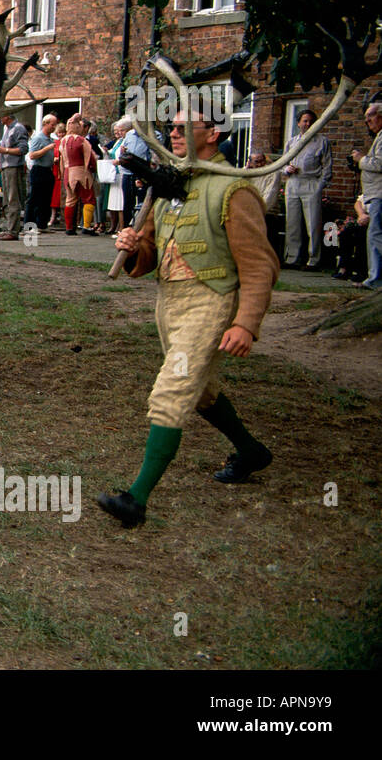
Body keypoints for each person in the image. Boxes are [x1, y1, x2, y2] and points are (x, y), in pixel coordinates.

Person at [98, 109, 279, 528]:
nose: (173, 135)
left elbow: (259, 267)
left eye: (183, 129)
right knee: (200, 391)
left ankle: (136, 499)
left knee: (172, 391)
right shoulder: (171, 185)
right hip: (170, 303)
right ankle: (251, 451)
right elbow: (150, 259)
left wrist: (245, 323)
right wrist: (134, 244)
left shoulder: (234, 191)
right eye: (172, 128)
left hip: (212, 303)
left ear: (213, 133)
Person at [282, 109, 332, 270]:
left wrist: (319, 186)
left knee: (313, 224)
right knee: (292, 224)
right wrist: (286, 169)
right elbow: (282, 163)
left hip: (311, 183)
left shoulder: (322, 142)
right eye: (304, 121)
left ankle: (314, 260)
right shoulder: (291, 142)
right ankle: (292, 258)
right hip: (293, 184)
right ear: (298, 123)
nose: (307, 124)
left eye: (311, 121)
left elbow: (327, 167)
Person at [350, 102, 382, 289]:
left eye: (370, 115)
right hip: (375, 195)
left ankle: (375, 280)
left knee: (376, 236)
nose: (367, 120)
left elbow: (379, 164)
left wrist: (361, 159)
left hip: (379, 195)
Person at [58, 113, 97, 235]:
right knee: (88, 198)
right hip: (81, 173)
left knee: (70, 200)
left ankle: (69, 228)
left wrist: (61, 174)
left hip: (67, 173)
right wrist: (94, 168)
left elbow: (61, 160)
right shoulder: (81, 140)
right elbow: (90, 157)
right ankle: (86, 226)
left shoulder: (62, 141)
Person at [0, 114, 28, 239]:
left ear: (7, 116)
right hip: (6, 168)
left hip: (14, 167)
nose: (0, 119)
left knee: (13, 198)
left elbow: (23, 149)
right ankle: (8, 228)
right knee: (7, 199)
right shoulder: (8, 129)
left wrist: (5, 150)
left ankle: (13, 231)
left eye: (1, 116)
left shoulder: (18, 128)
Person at [245, 150, 283, 254]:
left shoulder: (273, 173)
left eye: (262, 161)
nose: (260, 164)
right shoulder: (248, 172)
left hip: (267, 212)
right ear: (250, 162)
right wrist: (246, 170)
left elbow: (270, 196)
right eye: (256, 162)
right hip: (250, 210)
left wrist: (257, 211)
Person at [25, 114, 57, 231]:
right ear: (45, 124)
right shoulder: (38, 138)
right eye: (52, 124)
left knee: (46, 199)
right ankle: (29, 225)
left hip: (48, 170)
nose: (54, 127)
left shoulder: (50, 139)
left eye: (55, 125)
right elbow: (32, 155)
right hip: (38, 169)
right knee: (34, 198)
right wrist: (47, 149)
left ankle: (42, 224)